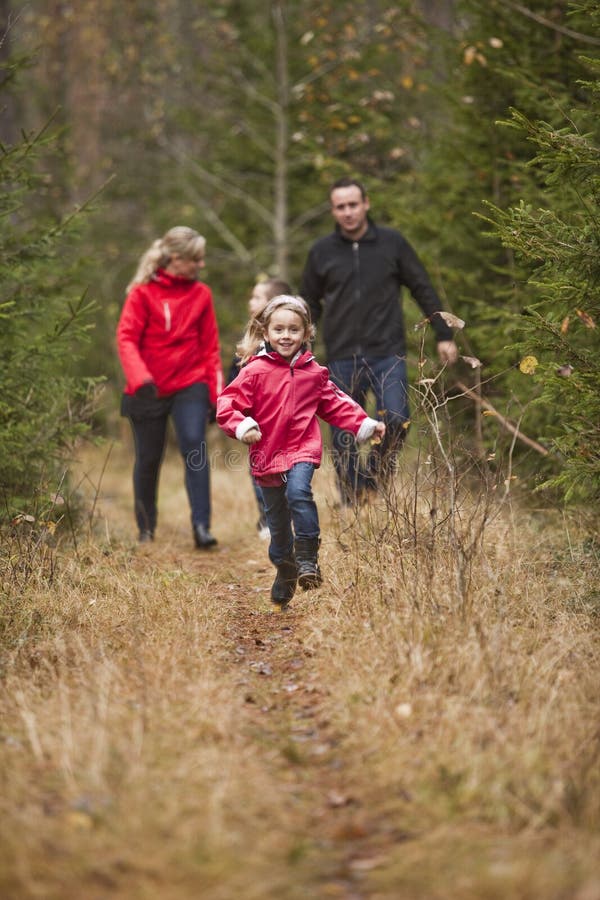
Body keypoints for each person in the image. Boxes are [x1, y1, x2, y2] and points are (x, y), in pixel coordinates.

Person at [217, 295, 385, 606]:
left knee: (298, 493)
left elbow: (336, 404)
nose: (286, 336)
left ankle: (308, 558)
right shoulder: (254, 371)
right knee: (278, 528)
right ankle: (286, 568)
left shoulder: (313, 372)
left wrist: (365, 423)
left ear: (306, 333)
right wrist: (243, 426)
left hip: (302, 449)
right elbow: (227, 405)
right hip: (266, 453)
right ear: (266, 333)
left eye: (293, 330)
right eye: (279, 329)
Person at [300, 176, 459, 504]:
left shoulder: (392, 243)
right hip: (341, 355)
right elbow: (308, 305)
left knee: (397, 420)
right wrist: (303, 351)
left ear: (366, 204)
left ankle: (374, 479)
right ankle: (351, 499)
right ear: (332, 210)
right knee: (343, 433)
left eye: (353, 205)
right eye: (340, 206)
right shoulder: (321, 252)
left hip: (387, 353)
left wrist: (443, 333)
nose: (348, 212)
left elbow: (422, 287)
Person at [116, 226, 222, 548]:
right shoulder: (142, 293)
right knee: (149, 457)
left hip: (190, 382)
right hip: (148, 386)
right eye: (196, 259)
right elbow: (126, 339)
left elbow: (210, 349)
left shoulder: (201, 294)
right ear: (176, 259)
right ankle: (146, 529)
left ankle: (202, 527)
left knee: (195, 447)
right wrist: (141, 379)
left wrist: (218, 397)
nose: (201, 265)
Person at [227, 277, 292, 541]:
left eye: (257, 297)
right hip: (256, 420)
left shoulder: (288, 339)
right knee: (260, 468)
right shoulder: (250, 338)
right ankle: (267, 517)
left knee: (288, 468)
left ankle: (286, 515)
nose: (250, 302)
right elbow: (236, 374)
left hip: (286, 418)